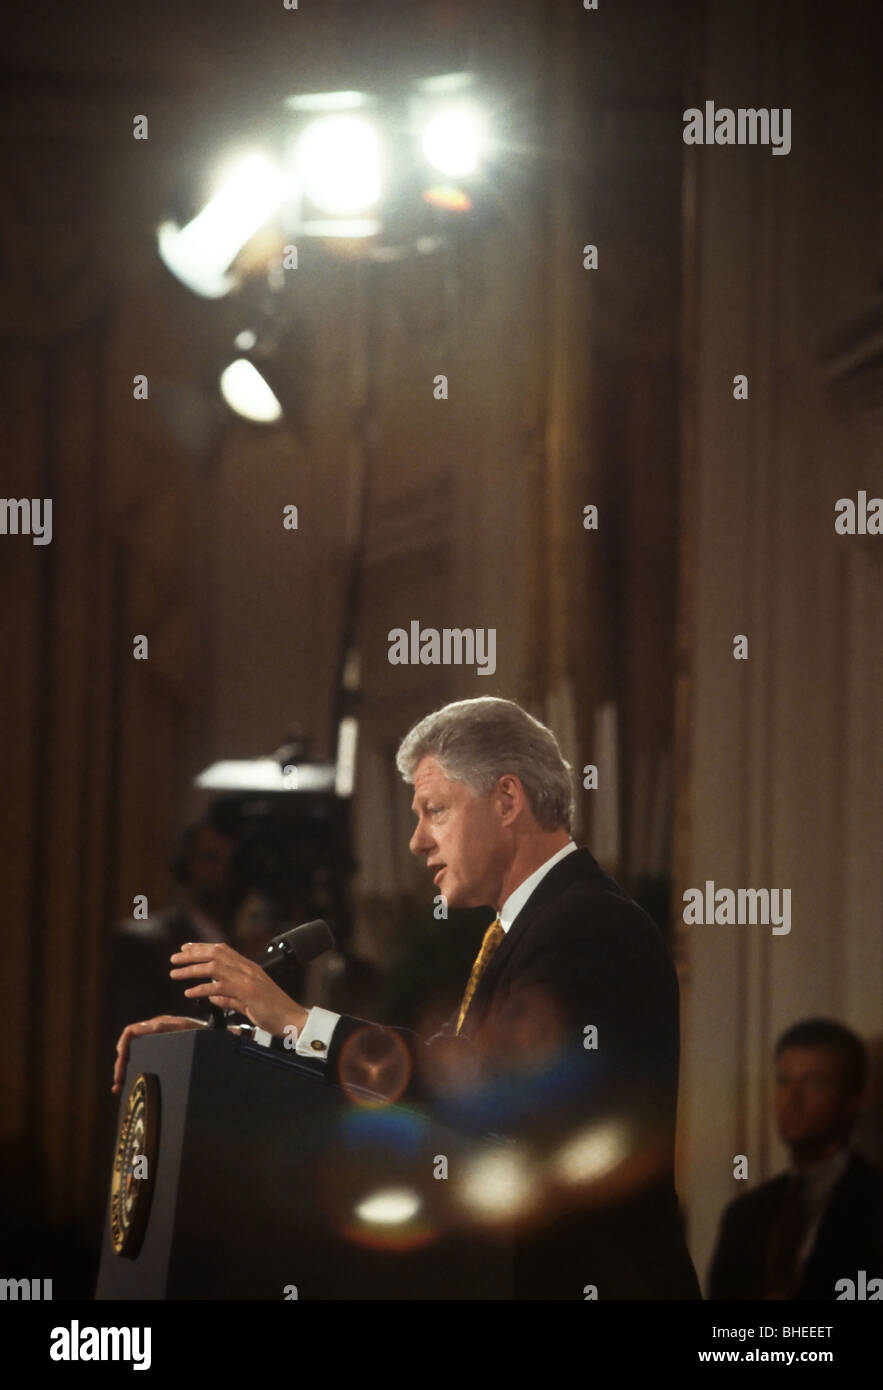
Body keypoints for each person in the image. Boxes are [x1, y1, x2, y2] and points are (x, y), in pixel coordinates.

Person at [113, 697, 701, 1300]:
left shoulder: (588, 924)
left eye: (434, 810)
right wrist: (230, 1049)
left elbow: (485, 1093)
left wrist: (294, 1019)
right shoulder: (533, 927)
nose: (418, 841)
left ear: (506, 800)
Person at [708, 1018, 883, 1299]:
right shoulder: (743, 1215)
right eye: (784, 1081)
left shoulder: (874, 1203)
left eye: (815, 1083)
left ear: (853, 1099)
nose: (791, 1099)